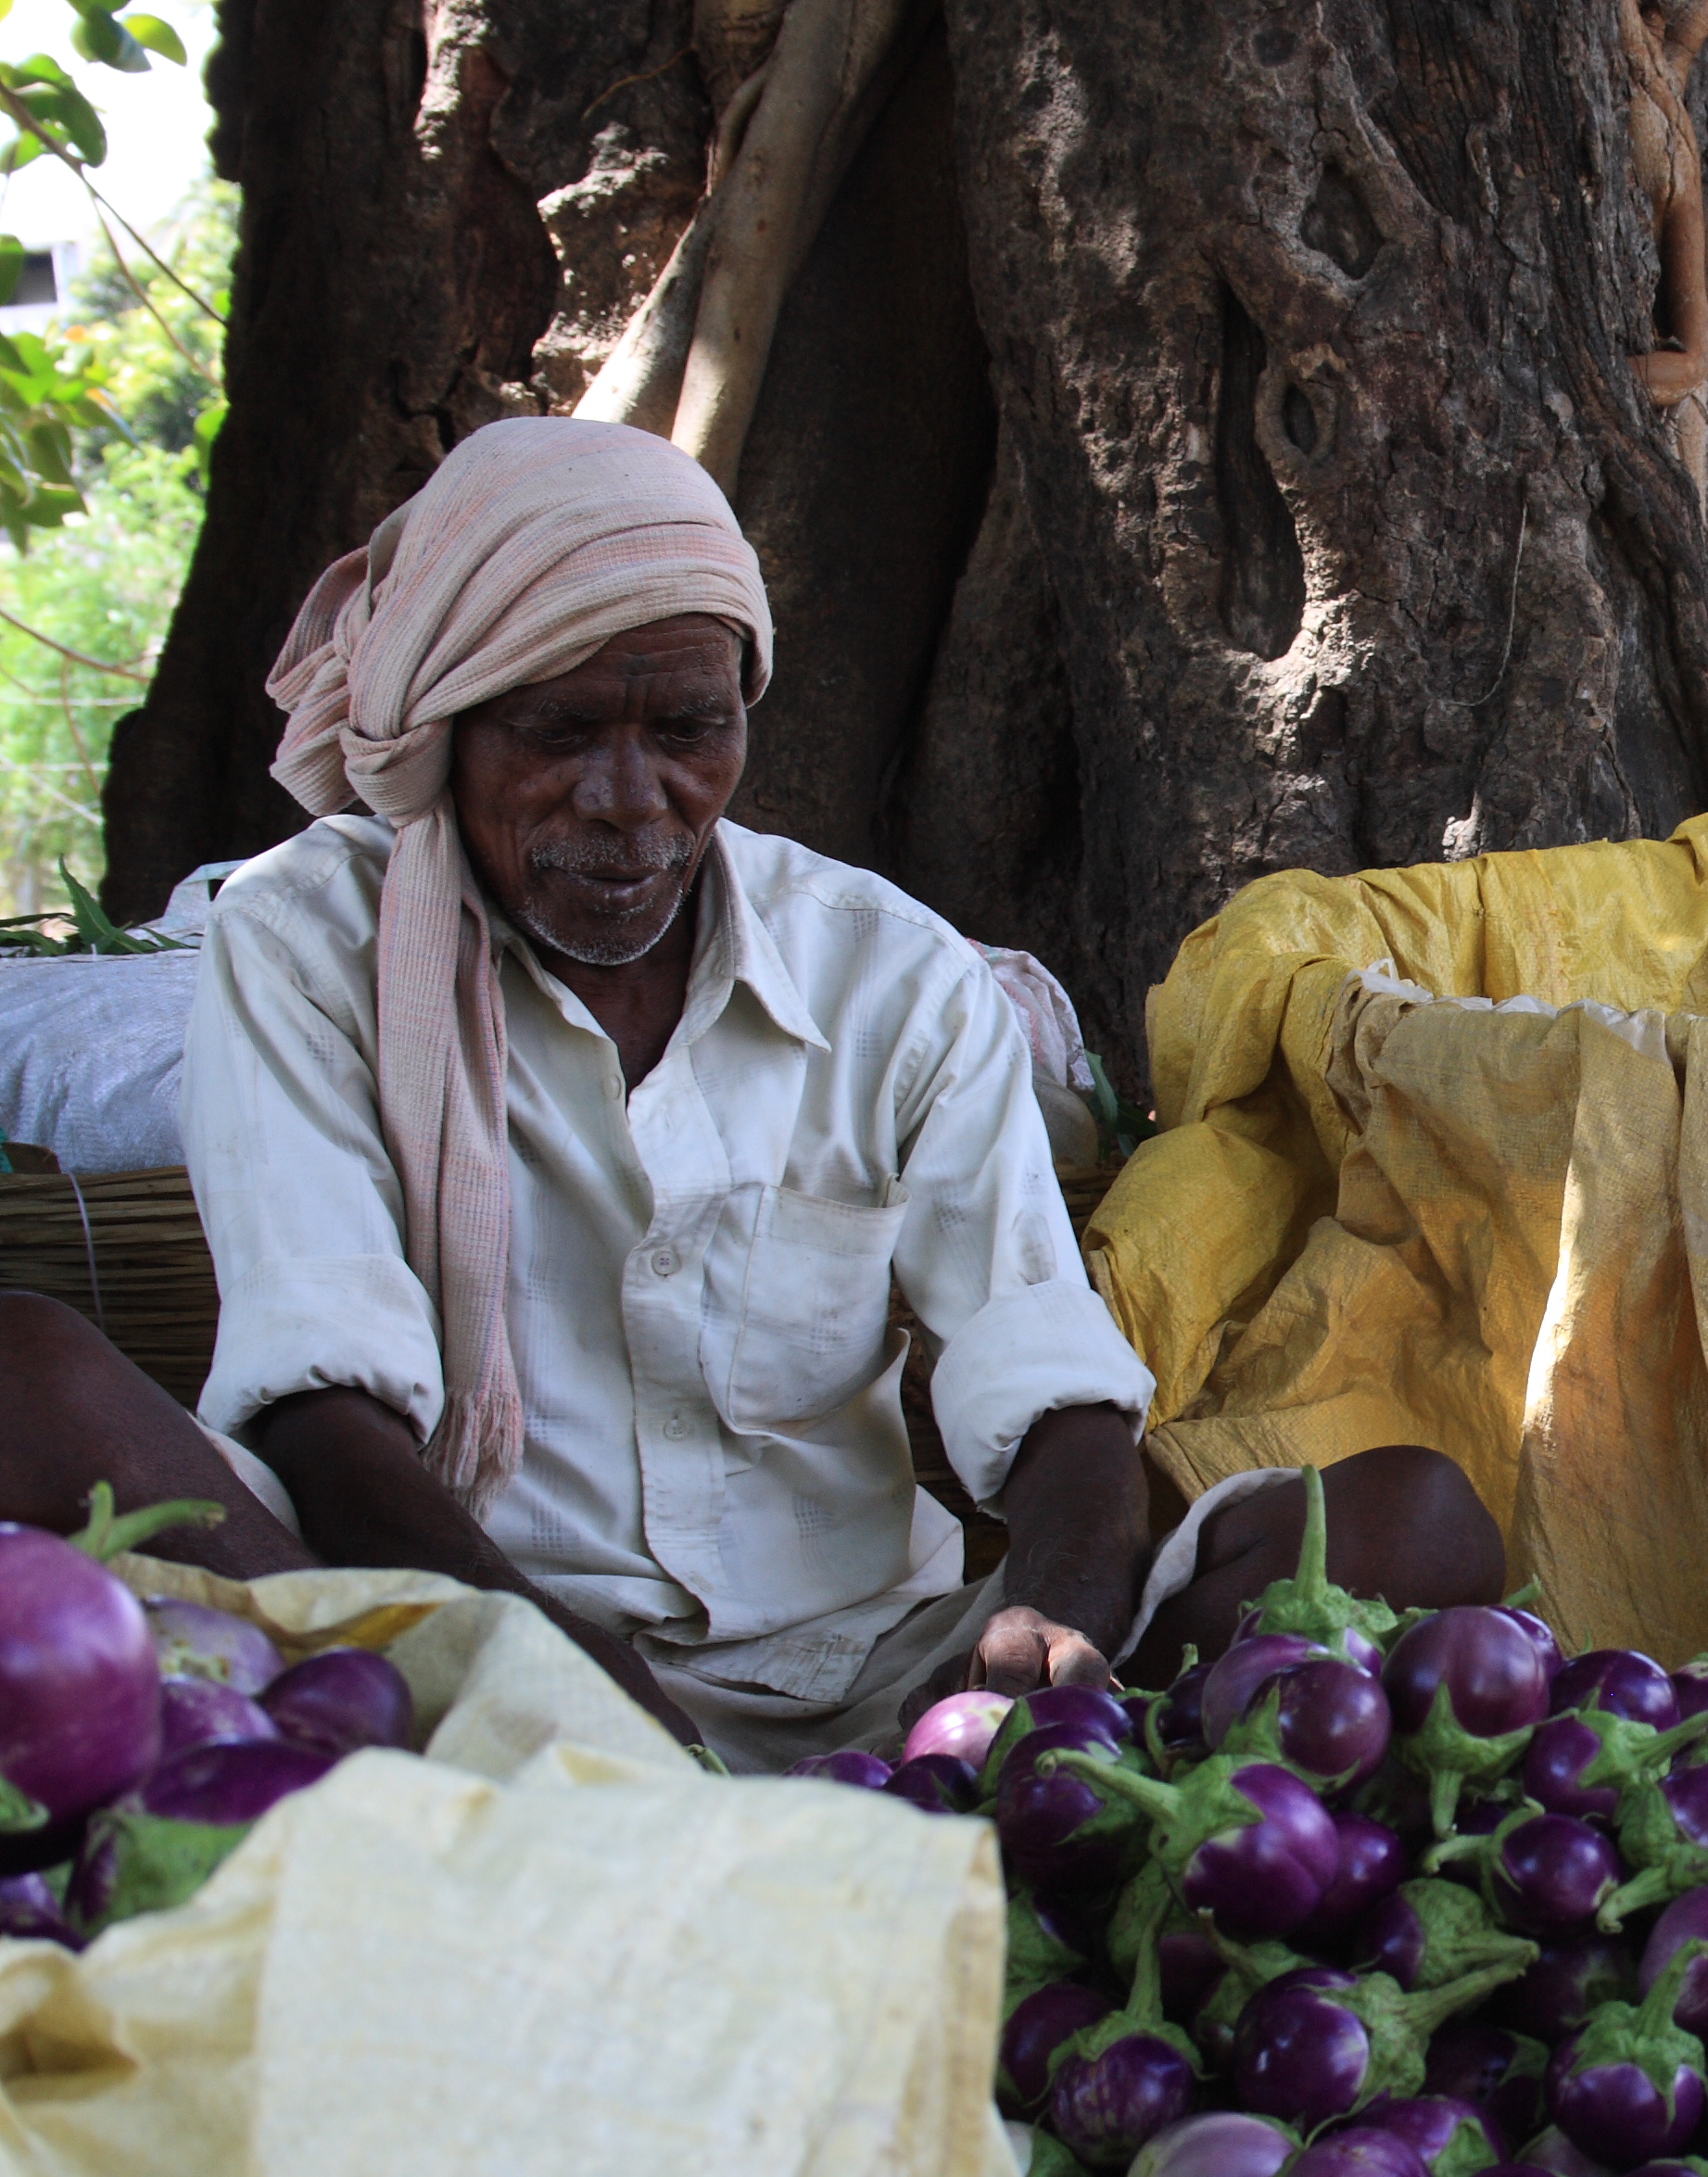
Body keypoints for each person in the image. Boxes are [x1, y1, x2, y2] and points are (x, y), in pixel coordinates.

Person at [0, 417, 1498, 1764]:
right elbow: (322, 1401)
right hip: (462, 1659)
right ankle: (527, 1795)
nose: (629, 801)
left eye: (685, 732)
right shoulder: (308, 942)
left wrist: (1048, 1635)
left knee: (1412, 1526)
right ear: (445, 728)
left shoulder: (887, 974)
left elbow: (1044, 1371)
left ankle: (926, 1816)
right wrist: (554, 1679)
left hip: (872, 1675)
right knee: (24, 1375)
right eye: (558, 733)